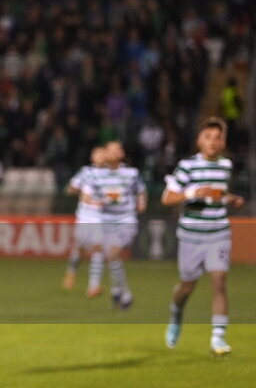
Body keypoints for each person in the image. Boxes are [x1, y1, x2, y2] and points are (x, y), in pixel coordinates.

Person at [161, 117, 245, 355]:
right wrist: (192, 192)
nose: (213, 142)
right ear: (199, 140)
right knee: (187, 287)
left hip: (218, 233)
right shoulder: (187, 166)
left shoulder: (225, 166)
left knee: (219, 281)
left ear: (223, 142)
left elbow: (219, 192)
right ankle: (176, 313)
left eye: (217, 138)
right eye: (208, 137)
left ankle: (218, 337)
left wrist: (231, 198)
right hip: (191, 236)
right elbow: (167, 198)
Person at [81, 140, 146, 308]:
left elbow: (141, 190)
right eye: (110, 150)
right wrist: (97, 203)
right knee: (110, 256)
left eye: (117, 150)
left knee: (112, 253)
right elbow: (86, 196)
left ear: (122, 154)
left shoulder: (131, 173)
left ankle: (120, 291)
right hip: (105, 222)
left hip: (125, 221)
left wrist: (142, 203)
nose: (114, 153)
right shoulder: (96, 174)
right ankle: (121, 292)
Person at [62, 145, 107, 291]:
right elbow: (70, 189)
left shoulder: (111, 174)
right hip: (85, 215)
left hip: (101, 216)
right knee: (80, 248)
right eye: (97, 154)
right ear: (92, 157)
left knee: (97, 248)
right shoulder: (86, 172)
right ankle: (72, 270)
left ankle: (94, 285)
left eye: (102, 154)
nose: (100, 157)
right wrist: (77, 189)